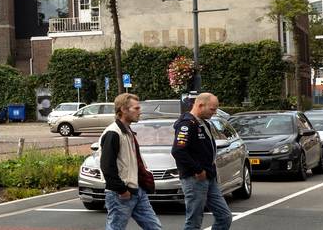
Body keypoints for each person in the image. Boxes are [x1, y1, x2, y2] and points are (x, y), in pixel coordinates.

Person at [99, 93, 161, 230]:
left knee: (154, 227)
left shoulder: (127, 131)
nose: (140, 111)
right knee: (115, 227)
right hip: (121, 193)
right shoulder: (113, 133)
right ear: (123, 110)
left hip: (137, 190)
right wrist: (122, 190)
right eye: (136, 108)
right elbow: (107, 167)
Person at [172, 92, 231, 230]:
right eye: (212, 109)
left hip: (209, 176)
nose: (214, 112)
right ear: (200, 105)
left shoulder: (203, 123)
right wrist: (197, 170)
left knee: (224, 217)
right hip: (194, 178)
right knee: (194, 222)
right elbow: (178, 151)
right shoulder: (187, 124)